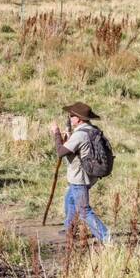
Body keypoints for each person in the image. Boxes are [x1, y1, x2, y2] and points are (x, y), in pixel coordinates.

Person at [49, 102, 112, 243]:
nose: (70, 118)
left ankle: (106, 237)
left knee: (83, 210)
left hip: (80, 178)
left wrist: (57, 133)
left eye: (72, 116)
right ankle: (69, 230)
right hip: (89, 175)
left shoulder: (80, 135)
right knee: (69, 199)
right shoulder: (92, 129)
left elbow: (61, 152)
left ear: (79, 119)